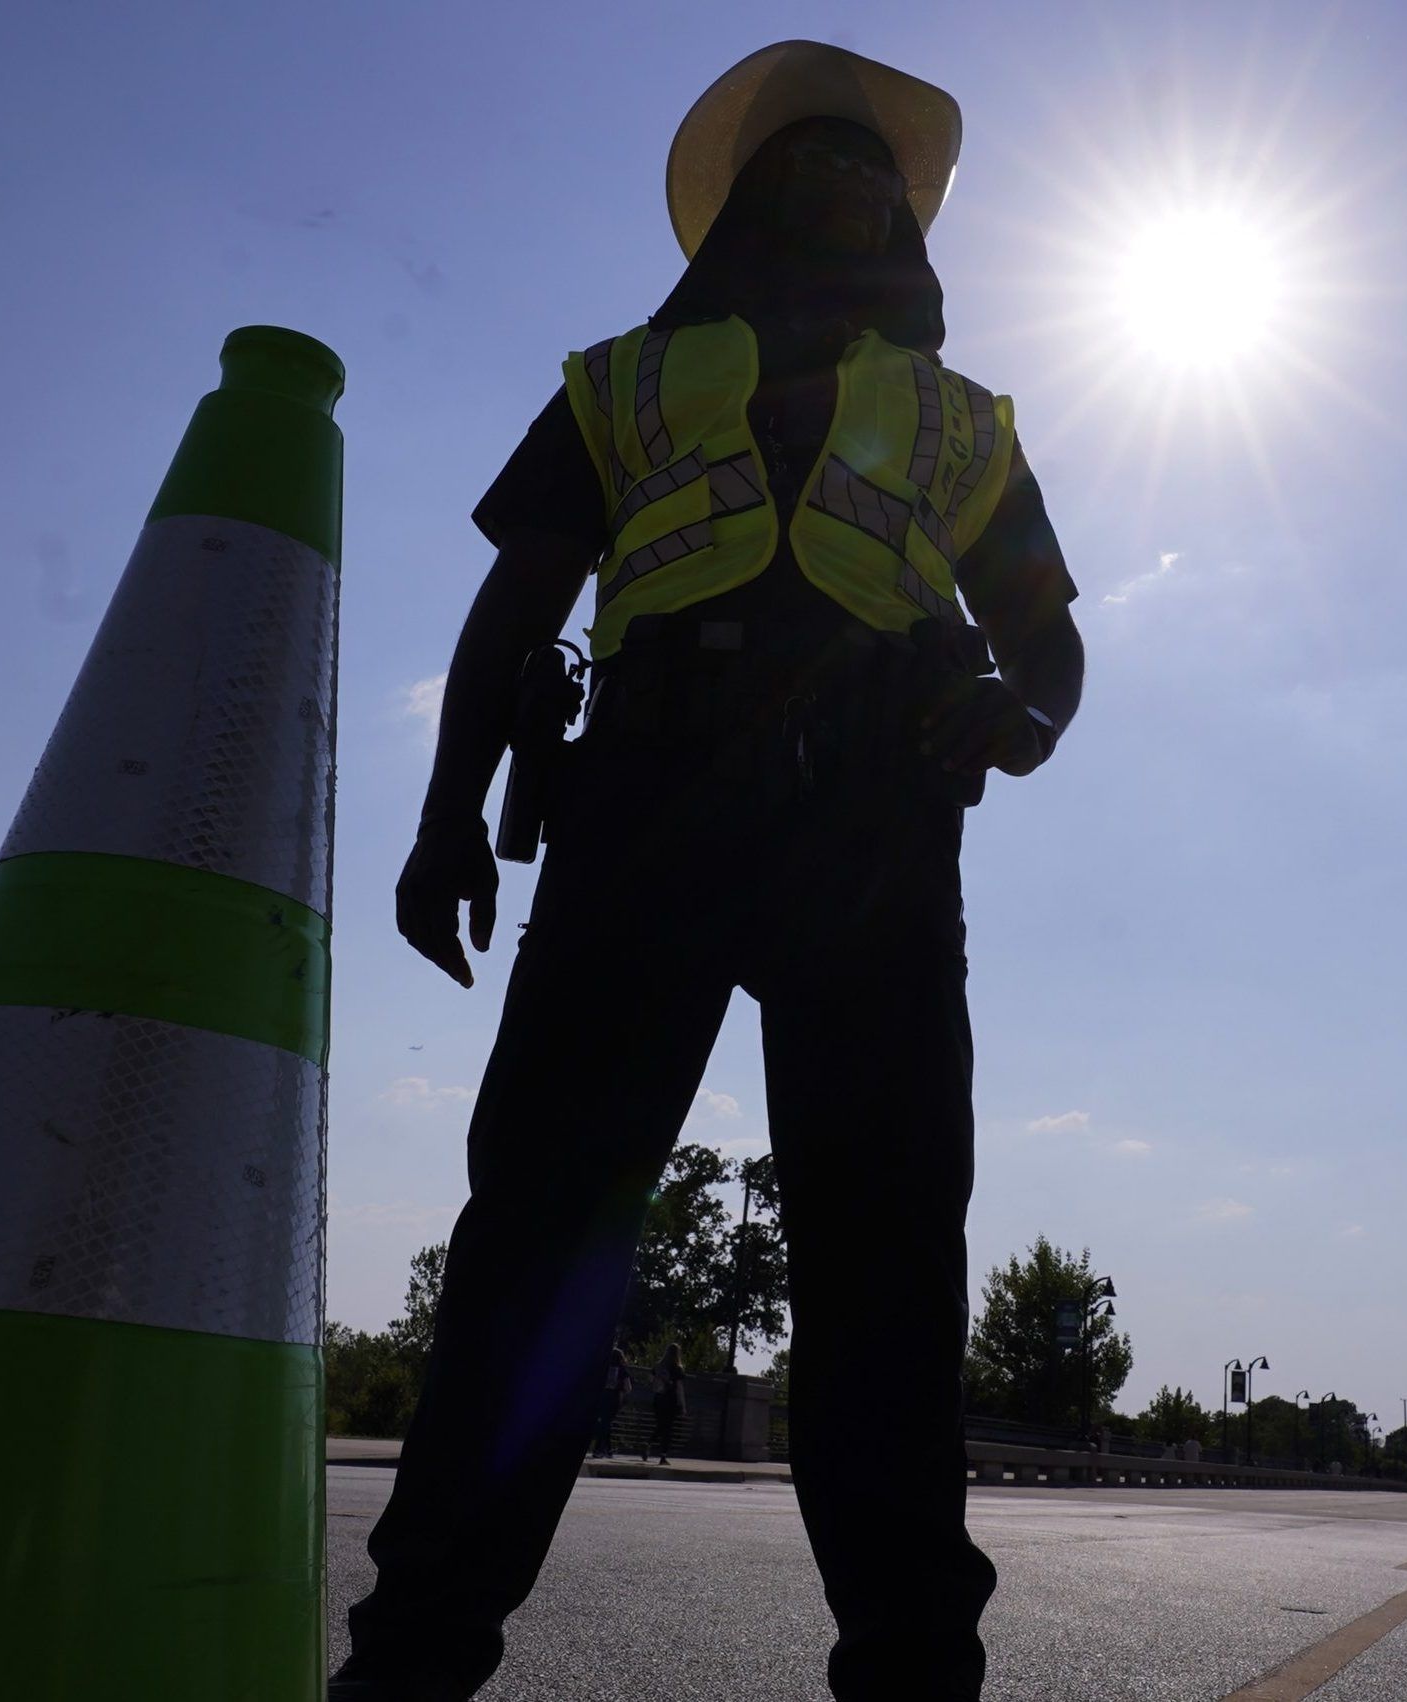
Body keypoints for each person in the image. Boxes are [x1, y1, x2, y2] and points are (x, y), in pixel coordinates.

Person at [331, 40, 1082, 1702]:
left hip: (876, 833)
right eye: (808, 162)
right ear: (744, 206)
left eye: (872, 173)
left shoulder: (962, 423)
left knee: (886, 1267)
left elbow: (1051, 641)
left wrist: (1019, 718)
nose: (846, 187)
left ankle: (913, 1671)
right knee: (538, 1241)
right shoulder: (623, 384)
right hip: (645, 809)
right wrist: (448, 814)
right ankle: (409, 1666)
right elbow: (516, 606)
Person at [641, 1342, 684, 1466]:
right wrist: (682, 1405)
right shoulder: (677, 1368)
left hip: (658, 1398)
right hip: (670, 1400)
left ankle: (648, 1443)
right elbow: (679, 1387)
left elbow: (650, 1379)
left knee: (661, 1424)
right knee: (667, 1428)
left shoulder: (658, 1366)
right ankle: (663, 1456)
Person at [589, 1348, 630, 1460]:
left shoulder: (604, 1367)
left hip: (602, 1397)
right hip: (614, 1398)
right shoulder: (622, 1369)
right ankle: (598, 1450)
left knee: (604, 1422)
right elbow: (628, 1387)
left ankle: (608, 1450)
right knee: (607, 1423)